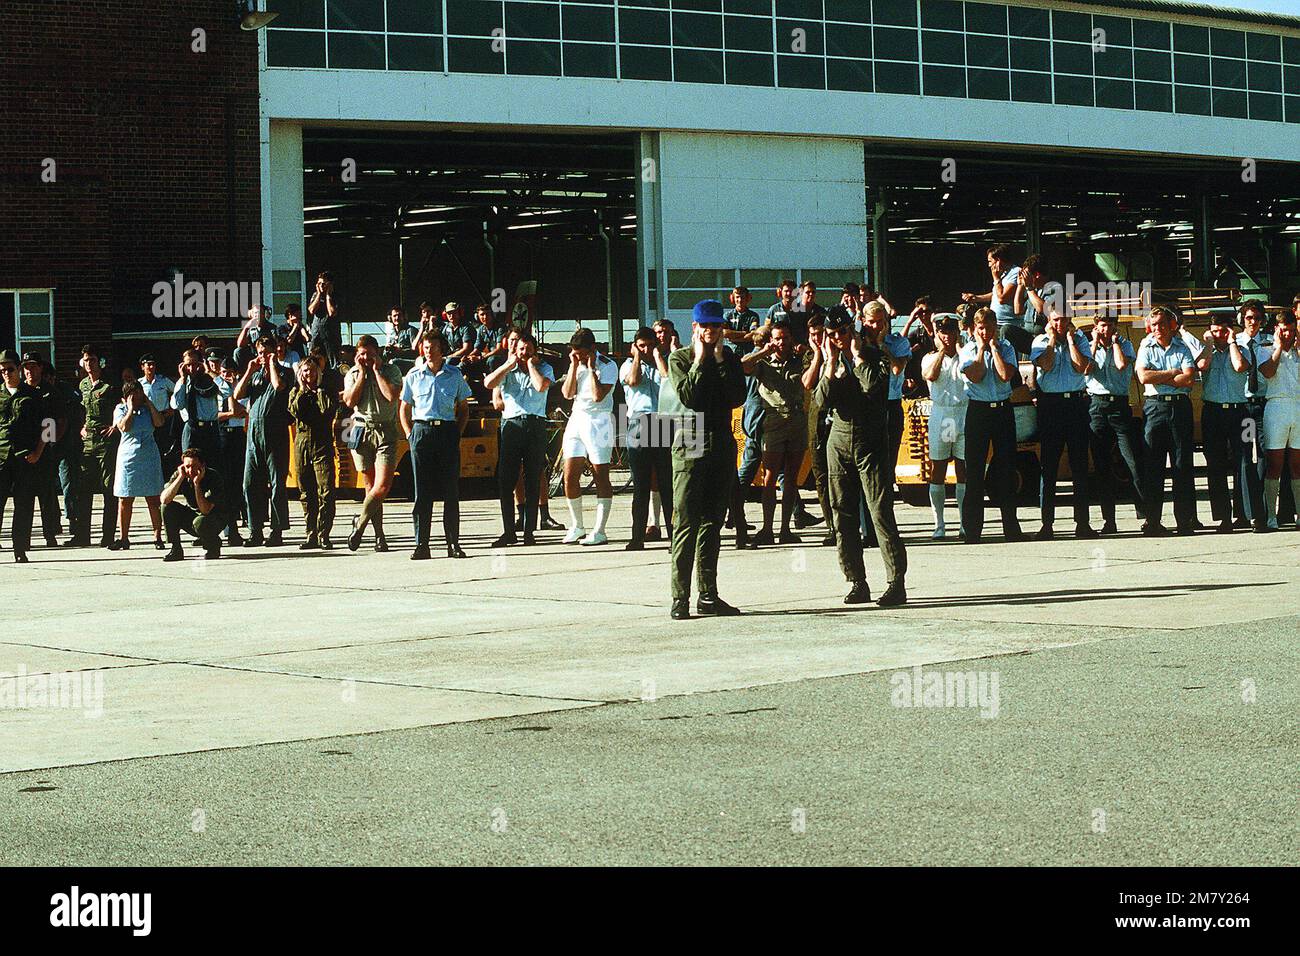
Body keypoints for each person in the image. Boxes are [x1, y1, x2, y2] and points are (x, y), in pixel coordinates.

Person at [813, 311, 907, 606]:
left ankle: (896, 582)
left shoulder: (873, 355)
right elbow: (820, 400)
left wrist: (857, 358)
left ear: (851, 331)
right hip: (838, 439)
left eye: (842, 332)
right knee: (842, 513)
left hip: (870, 439)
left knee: (879, 510)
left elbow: (873, 387)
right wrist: (829, 364)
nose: (838, 338)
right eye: (832, 334)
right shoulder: (832, 361)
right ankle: (856, 580)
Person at [667, 300, 747, 619]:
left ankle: (708, 593)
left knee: (713, 521)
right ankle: (680, 597)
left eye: (716, 327)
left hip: (720, 439)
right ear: (695, 327)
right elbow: (689, 397)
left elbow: (736, 397)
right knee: (686, 521)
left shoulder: (729, 358)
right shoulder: (679, 358)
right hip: (690, 438)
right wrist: (701, 360)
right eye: (706, 326)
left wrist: (718, 360)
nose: (711, 332)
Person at [401, 330, 471, 560]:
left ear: (442, 349)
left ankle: (453, 544)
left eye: (433, 347)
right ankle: (422, 544)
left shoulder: (454, 374)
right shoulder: (413, 375)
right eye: (426, 347)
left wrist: (456, 434)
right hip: (422, 431)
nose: (429, 351)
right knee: (422, 492)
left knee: (451, 491)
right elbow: (405, 409)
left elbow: (463, 408)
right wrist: (410, 434)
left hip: (447, 431)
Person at [960, 308, 1025, 543]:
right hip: (978, 411)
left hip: (1002, 409)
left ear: (995, 327)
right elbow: (975, 375)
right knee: (975, 471)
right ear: (975, 329)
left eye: (989, 328)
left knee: (1006, 469)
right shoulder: (967, 349)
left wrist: (995, 349)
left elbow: (1005, 375)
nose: (985, 332)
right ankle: (972, 530)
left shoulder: (1006, 347)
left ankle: (1011, 528)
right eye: (981, 329)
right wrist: (980, 350)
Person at [1030, 311, 1097, 539]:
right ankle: (1047, 524)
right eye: (1055, 320)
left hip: (1076, 404)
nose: (1059, 324)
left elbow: (1081, 367)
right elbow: (1046, 365)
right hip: (1051, 406)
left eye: (1064, 320)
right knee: (1048, 468)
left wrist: (1069, 340)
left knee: (1079, 466)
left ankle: (1083, 523)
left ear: (1070, 321)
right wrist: (1051, 340)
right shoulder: (1040, 341)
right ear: (1049, 321)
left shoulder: (1080, 342)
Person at [741, 319, 808, 546]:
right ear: (771, 340)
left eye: (785, 338)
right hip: (773, 421)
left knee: (790, 479)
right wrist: (762, 351)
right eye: (777, 338)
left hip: (797, 420)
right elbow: (743, 365)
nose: (782, 343)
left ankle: (785, 529)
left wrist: (807, 350)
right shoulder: (764, 363)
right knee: (769, 478)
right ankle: (767, 529)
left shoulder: (799, 361)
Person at [485, 331, 553, 547]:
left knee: (532, 478)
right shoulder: (507, 369)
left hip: (534, 424)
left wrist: (531, 365)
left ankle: (529, 531)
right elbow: (488, 383)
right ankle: (508, 531)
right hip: (512, 425)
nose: (524, 352)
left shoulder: (544, 368)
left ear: (534, 350)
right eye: (521, 349)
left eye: (528, 349)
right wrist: (509, 364)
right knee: (506, 480)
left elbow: (541, 386)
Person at [1134, 306, 1198, 536]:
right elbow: (1143, 376)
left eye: (1162, 324)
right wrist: (1173, 373)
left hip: (1179, 408)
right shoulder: (1146, 346)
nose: (1158, 328)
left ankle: (1184, 521)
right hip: (1155, 408)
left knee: (1182, 465)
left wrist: (1161, 376)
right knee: (1153, 466)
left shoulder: (1181, 346)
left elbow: (1190, 377)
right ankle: (1153, 522)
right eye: (1154, 324)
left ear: (1171, 325)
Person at [342, 334, 404, 552]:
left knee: (382, 486)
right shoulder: (351, 374)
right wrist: (361, 375)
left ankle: (359, 524)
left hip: (385, 430)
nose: (365, 358)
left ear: (377, 353)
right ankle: (379, 536)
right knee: (370, 487)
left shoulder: (391, 371)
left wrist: (376, 371)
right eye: (361, 354)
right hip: (360, 429)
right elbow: (350, 401)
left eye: (369, 353)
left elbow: (391, 396)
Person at [559, 328, 619, 545]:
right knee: (569, 474)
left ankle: (600, 530)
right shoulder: (575, 363)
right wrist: (575, 366)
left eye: (582, 353)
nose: (579, 356)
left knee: (600, 474)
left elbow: (597, 395)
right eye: (575, 353)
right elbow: (566, 393)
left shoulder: (609, 365)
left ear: (592, 348)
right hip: (577, 418)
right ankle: (577, 526)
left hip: (599, 420)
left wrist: (592, 369)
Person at [1084, 314, 1143, 535]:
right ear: (1096, 327)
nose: (1106, 330)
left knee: (1132, 461)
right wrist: (1095, 343)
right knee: (1102, 466)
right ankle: (1109, 520)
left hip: (1119, 405)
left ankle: (1145, 515)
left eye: (1109, 326)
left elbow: (1120, 365)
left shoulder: (1125, 345)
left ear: (1115, 327)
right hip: (1096, 405)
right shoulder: (1089, 346)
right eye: (1102, 326)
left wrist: (1115, 343)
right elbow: (1086, 369)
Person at [1198, 313, 1255, 534]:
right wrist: (1209, 343)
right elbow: (1201, 366)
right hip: (1212, 412)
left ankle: (1244, 513)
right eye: (1214, 330)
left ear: (1230, 330)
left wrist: (1232, 342)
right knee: (1215, 464)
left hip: (1240, 411)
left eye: (1223, 330)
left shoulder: (1241, 348)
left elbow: (1241, 367)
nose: (1218, 334)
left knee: (1244, 462)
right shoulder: (1207, 350)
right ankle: (1223, 517)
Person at [233, 336, 291, 547]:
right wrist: (249, 371)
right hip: (253, 435)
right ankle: (255, 530)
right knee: (250, 484)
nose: (263, 357)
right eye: (260, 353)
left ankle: (277, 531)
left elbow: (277, 386)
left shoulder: (285, 372)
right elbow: (238, 394)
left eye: (266, 352)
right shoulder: (255, 376)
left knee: (276, 485)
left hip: (275, 435)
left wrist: (273, 363)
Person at [621, 327, 673, 552]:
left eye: (649, 345)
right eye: (641, 346)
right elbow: (632, 381)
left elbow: (668, 380)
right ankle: (637, 536)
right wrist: (636, 358)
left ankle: (674, 536)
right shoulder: (627, 365)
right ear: (635, 346)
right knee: (640, 485)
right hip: (638, 423)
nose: (646, 349)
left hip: (662, 420)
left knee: (667, 483)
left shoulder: (665, 362)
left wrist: (657, 356)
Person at [920, 316, 968, 539]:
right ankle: (939, 524)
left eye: (951, 332)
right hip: (941, 413)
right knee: (937, 468)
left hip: (963, 412)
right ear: (938, 334)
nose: (947, 337)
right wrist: (941, 350)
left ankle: (964, 522)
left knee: (963, 468)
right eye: (943, 333)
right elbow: (930, 375)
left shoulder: (965, 354)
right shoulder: (929, 358)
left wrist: (959, 350)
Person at [69, 344, 120, 548]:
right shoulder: (83, 385)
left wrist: (116, 426)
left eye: (92, 360)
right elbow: (82, 410)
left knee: (109, 489)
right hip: (87, 442)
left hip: (106, 442)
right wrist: (82, 427)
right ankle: (82, 535)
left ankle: (108, 535)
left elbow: (125, 406)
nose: (89, 364)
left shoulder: (110, 385)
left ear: (101, 362)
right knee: (83, 489)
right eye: (86, 360)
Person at [288, 359, 339, 550]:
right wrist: (302, 389)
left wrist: (318, 391)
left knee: (326, 490)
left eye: (311, 370)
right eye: (304, 371)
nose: (308, 374)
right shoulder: (295, 392)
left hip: (321, 442)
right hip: (302, 442)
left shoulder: (327, 391)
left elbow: (328, 410)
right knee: (306, 492)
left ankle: (324, 533)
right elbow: (294, 411)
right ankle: (311, 534)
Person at [1257, 301, 1300, 530]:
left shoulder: (1298, 350)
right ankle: (1270, 516)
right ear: (1276, 328)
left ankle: (1299, 514)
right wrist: (1278, 348)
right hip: (1276, 407)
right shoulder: (1265, 347)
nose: (1287, 334)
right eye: (1284, 329)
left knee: (1297, 464)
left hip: (1298, 407)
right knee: (1274, 463)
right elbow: (1267, 372)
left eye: (1291, 330)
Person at [109, 379, 165, 550]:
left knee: (153, 498)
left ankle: (158, 536)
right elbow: (124, 427)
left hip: (149, 455)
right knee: (125, 498)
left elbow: (159, 422)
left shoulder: (148, 409)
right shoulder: (120, 409)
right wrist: (131, 409)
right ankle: (123, 537)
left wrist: (149, 403)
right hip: (129, 457)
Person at [0, 349, 45, 563]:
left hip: (24, 457)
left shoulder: (33, 395)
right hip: (1, 456)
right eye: (2, 371)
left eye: (10, 369)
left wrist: (38, 452)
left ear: (19, 368)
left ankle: (20, 548)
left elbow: (48, 426)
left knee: (24, 504)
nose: (6, 374)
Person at [21, 353, 65, 547]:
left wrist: (48, 445)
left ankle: (50, 534)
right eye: (26, 367)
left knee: (46, 496)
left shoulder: (50, 392)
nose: (29, 371)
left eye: (33, 366)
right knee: (24, 497)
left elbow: (56, 421)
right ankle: (24, 538)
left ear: (40, 368)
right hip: (22, 451)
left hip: (44, 451)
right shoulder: (19, 391)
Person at [1238, 302, 1273, 530]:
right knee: (1245, 458)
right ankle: (1246, 512)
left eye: (1258, 318)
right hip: (1245, 408)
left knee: (1263, 457)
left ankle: (1262, 511)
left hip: (1263, 406)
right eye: (1249, 317)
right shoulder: (1235, 342)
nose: (1253, 322)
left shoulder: (1268, 341)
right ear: (1242, 318)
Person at [160, 447, 230, 561]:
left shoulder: (213, 477)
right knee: (166, 508)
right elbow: (164, 499)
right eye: (187, 466)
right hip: (193, 515)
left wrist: (197, 484)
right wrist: (180, 477)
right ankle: (176, 548)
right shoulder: (181, 474)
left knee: (200, 522)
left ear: (202, 465)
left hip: (214, 518)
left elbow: (205, 510)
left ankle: (213, 545)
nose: (190, 470)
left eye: (194, 466)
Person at [805, 311, 837, 547]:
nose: (817, 338)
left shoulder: (841, 354)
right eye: (812, 335)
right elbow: (807, 382)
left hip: (838, 420)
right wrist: (818, 354)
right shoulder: (810, 355)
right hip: (817, 420)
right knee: (821, 476)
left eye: (820, 334)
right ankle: (831, 526)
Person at [963, 245, 1030, 356]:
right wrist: (976, 298)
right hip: (995, 323)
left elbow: (1002, 298)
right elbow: (995, 294)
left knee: (1004, 354)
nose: (989, 265)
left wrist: (996, 278)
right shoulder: (1003, 274)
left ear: (998, 260)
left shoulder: (1015, 273)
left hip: (1008, 325)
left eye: (990, 261)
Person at [215, 358, 248, 546]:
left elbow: (247, 409)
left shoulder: (242, 387)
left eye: (230, 372)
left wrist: (237, 410)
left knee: (237, 484)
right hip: (222, 435)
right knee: (223, 484)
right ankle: (224, 528)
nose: (227, 375)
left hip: (239, 435)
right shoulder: (215, 387)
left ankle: (234, 528)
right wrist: (233, 413)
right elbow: (216, 414)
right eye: (224, 371)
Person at [170, 348, 222, 467]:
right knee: (190, 466)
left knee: (212, 466)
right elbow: (177, 405)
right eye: (188, 365)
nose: (192, 369)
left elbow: (227, 391)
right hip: (191, 429)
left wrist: (209, 371)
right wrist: (183, 379)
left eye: (195, 364)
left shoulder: (210, 380)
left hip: (210, 430)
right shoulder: (182, 382)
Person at [137, 353, 175, 464]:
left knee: (165, 449)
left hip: (164, 419)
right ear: (142, 367)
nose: (151, 367)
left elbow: (177, 392)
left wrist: (173, 409)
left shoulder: (163, 381)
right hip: (148, 420)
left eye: (153, 364)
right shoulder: (139, 383)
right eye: (148, 365)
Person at [306, 271, 341, 366]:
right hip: (316, 333)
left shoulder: (335, 296)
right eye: (319, 283)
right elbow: (311, 310)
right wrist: (318, 294)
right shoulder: (315, 295)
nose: (321, 286)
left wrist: (328, 296)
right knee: (314, 358)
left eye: (324, 283)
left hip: (331, 335)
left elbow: (331, 312)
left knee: (333, 361)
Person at [441, 302, 476, 366]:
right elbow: (441, 341)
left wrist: (450, 356)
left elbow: (467, 349)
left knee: (449, 362)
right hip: (453, 355)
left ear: (460, 313)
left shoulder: (466, 327)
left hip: (466, 357)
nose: (451, 316)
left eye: (454, 313)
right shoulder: (447, 327)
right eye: (449, 313)